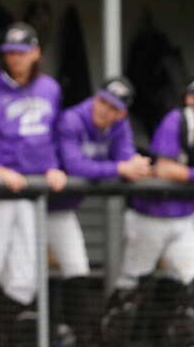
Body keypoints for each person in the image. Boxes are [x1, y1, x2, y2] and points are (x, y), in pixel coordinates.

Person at [0, 22, 67, 345]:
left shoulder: (50, 88)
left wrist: (54, 167)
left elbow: (52, 137)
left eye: (22, 52)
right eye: (10, 53)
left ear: (35, 52)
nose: (16, 59)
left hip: (31, 193)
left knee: (26, 274)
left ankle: (5, 336)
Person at [50, 76, 147, 345]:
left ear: (122, 113)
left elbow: (126, 158)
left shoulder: (120, 126)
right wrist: (120, 169)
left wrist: (133, 165)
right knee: (18, 278)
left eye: (113, 107)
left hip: (61, 210)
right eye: (102, 101)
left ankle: (75, 336)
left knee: (77, 268)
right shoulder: (72, 118)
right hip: (31, 203)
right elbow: (75, 166)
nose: (104, 109)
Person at [104, 79, 194, 344]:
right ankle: (116, 341)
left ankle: (164, 340)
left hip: (185, 217)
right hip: (150, 216)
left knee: (185, 284)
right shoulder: (175, 120)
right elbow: (165, 169)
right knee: (131, 287)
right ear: (188, 99)